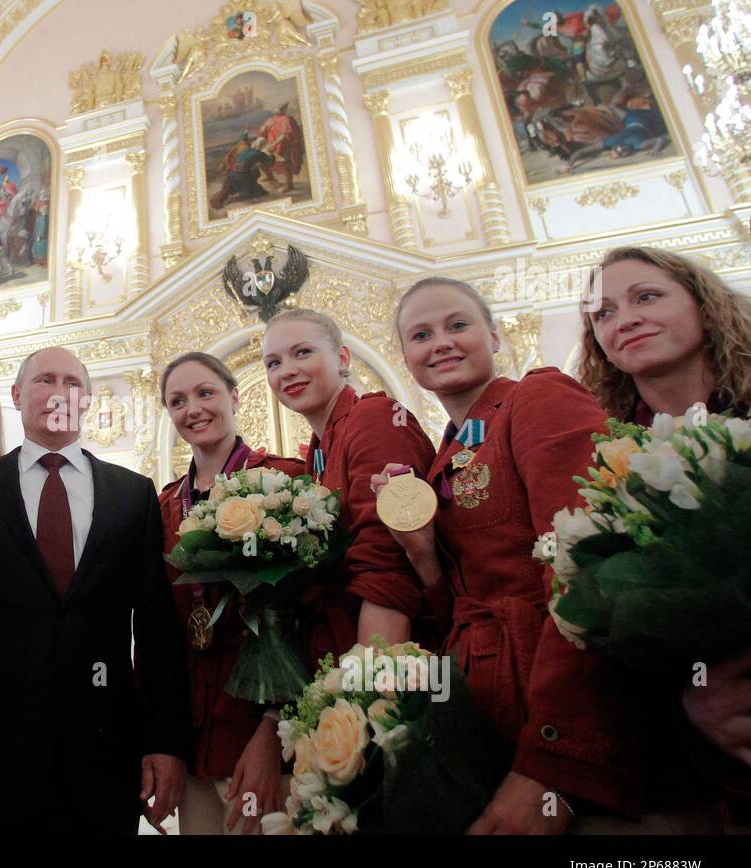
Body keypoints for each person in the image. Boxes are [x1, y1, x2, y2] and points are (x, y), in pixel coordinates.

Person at [375, 277, 640, 834]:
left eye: (458, 325)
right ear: (406, 357)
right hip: (483, 705)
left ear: (495, 334)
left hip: (557, 701)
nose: (440, 342)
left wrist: (555, 761)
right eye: (421, 334)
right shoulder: (448, 451)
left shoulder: (537, 397)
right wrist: (420, 552)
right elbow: (459, 603)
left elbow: (590, 568)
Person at [0, 346, 190, 835]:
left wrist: (166, 743)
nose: (59, 393)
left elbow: (157, 629)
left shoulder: (133, 494)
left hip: (104, 756)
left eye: (72, 383)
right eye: (44, 380)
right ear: (15, 395)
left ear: (89, 400)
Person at [579, 247, 751, 824]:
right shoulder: (609, 463)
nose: (623, 319)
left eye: (646, 297)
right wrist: (696, 702)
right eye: (601, 314)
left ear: (704, 305)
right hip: (685, 763)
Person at [157, 351, 305, 835]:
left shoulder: (284, 483)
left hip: (265, 738)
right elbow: (158, 632)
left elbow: (304, 619)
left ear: (235, 396)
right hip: (194, 739)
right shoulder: (164, 506)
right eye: (178, 401)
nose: (193, 409)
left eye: (205, 393)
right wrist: (162, 747)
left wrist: (272, 730)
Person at [262, 309, 433, 663]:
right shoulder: (318, 450)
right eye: (273, 363)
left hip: (387, 655)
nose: (287, 370)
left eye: (303, 352)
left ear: (342, 358)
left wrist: (366, 694)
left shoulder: (374, 418)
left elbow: (388, 565)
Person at [258, 102, 304, 192]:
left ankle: (289, 185)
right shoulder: (270, 120)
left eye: (279, 108)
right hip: (271, 145)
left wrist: (274, 144)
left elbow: (285, 135)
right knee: (260, 159)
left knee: (285, 165)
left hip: (283, 145)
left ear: (283, 110)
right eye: (276, 108)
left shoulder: (287, 119)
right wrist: (262, 132)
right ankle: (270, 177)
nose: (277, 110)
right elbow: (263, 132)